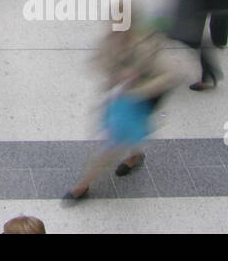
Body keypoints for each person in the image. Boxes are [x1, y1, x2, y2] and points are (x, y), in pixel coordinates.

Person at [65, 24, 180, 200]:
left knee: (113, 142)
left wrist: (136, 83)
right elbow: (98, 61)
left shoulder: (147, 45)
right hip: (120, 99)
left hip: (139, 100)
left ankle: (82, 185)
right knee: (128, 132)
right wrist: (115, 75)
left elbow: (169, 77)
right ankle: (136, 154)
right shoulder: (111, 39)